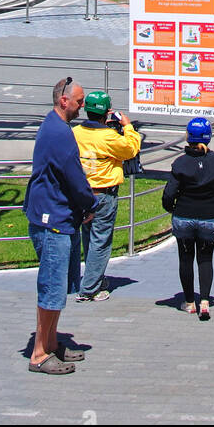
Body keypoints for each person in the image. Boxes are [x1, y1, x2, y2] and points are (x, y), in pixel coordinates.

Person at [23, 76, 98, 375]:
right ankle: (40, 354)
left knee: (57, 287)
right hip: (52, 221)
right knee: (52, 289)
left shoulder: (53, 126)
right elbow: (74, 177)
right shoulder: (61, 134)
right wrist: (90, 204)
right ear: (63, 100)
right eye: (79, 101)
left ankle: (52, 343)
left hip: (55, 217)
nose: (83, 105)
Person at [73, 91, 142, 302]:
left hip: (81, 193)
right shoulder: (109, 137)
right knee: (101, 241)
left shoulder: (75, 132)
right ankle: (90, 288)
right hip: (103, 194)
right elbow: (131, 149)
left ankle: (94, 277)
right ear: (106, 112)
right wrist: (128, 126)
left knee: (88, 237)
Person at [162, 117, 214, 319]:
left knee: (185, 258)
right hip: (210, 217)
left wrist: (172, 208)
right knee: (205, 258)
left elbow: (169, 194)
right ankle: (204, 301)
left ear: (188, 137)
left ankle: (189, 301)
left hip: (184, 215)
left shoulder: (180, 163)